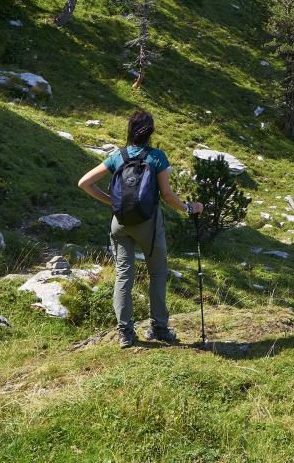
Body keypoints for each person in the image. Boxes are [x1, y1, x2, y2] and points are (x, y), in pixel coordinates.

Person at [77, 109, 203, 347]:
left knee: (124, 275)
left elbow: (84, 182)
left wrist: (112, 201)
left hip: (120, 224)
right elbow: (166, 195)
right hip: (148, 224)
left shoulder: (118, 156)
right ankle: (159, 328)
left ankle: (125, 332)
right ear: (151, 132)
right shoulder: (157, 158)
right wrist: (188, 208)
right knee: (157, 273)